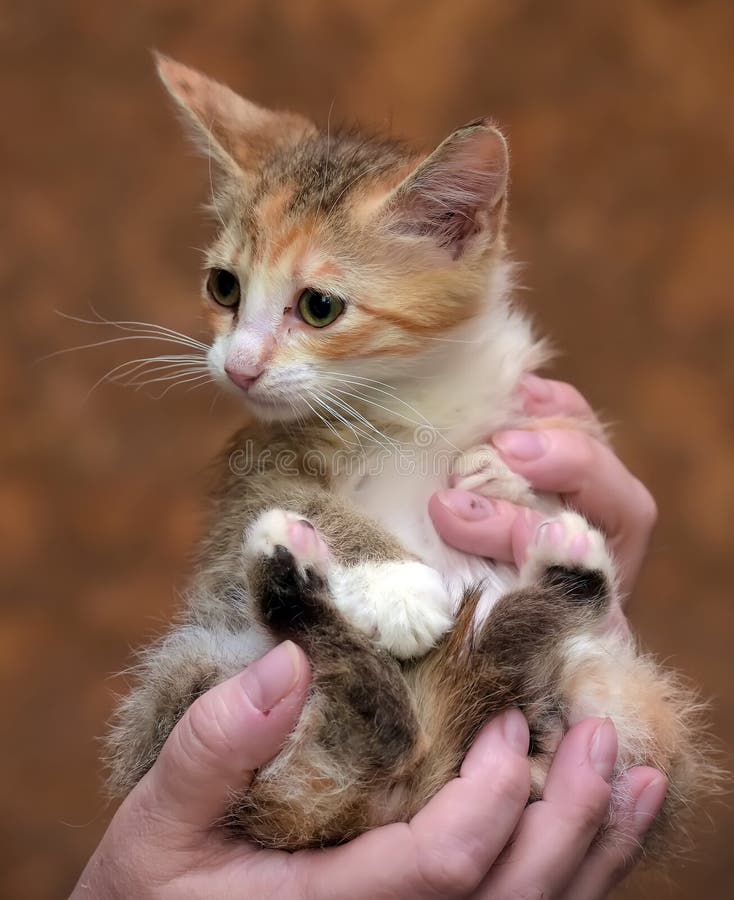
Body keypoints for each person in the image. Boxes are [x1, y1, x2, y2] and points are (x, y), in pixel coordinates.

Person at [71, 376, 665, 899]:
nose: (239, 360)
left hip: (335, 766)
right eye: (224, 289)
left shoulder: (502, 408)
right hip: (384, 764)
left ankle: (347, 655)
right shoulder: (293, 433)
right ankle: (518, 645)